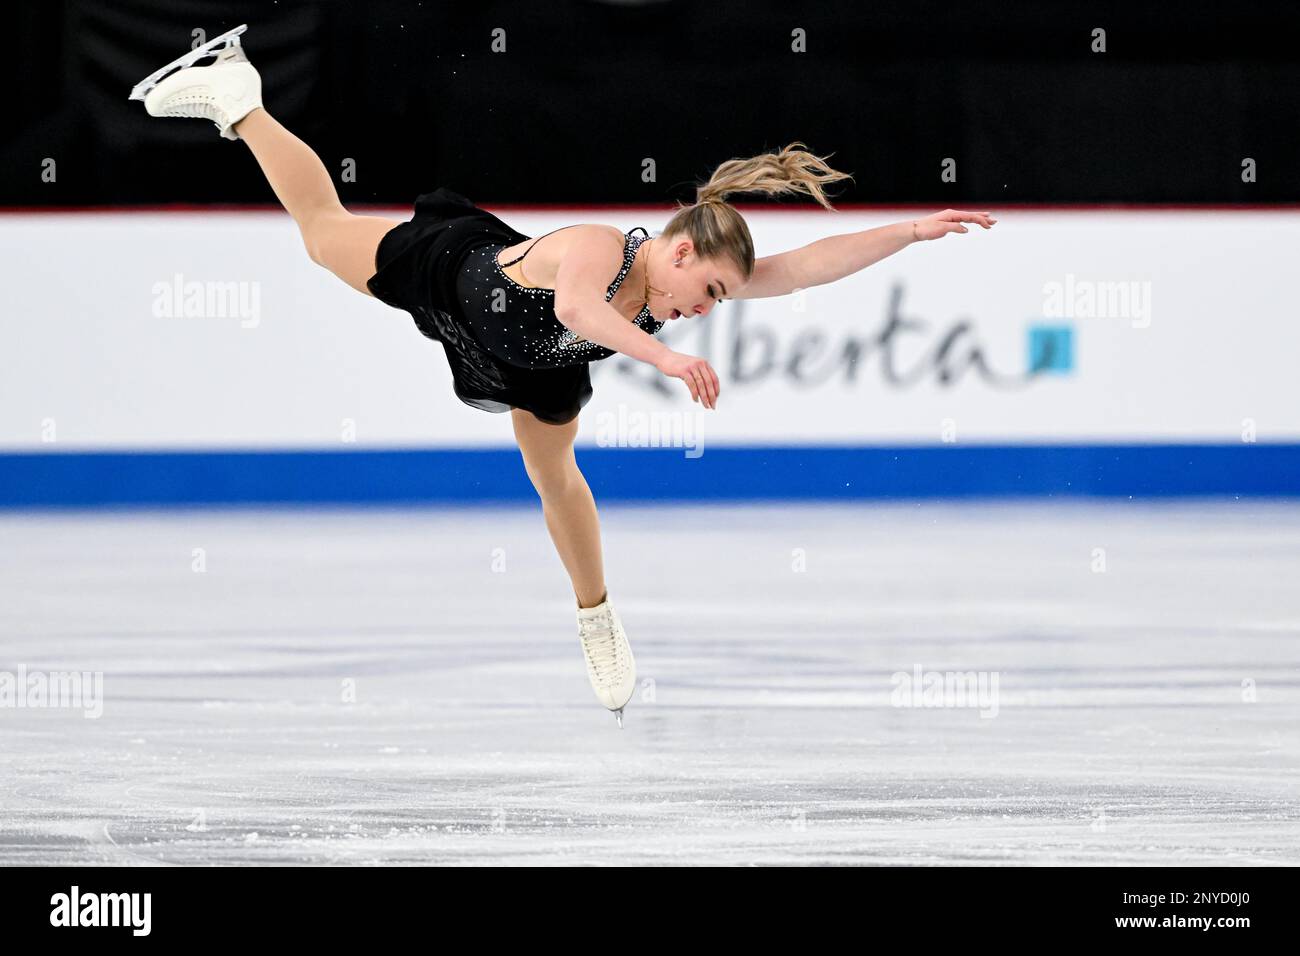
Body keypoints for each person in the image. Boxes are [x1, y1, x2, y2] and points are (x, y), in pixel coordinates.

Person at [130, 25, 996, 727]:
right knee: (323, 233)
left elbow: (807, 263)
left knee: (556, 478)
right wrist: (664, 354)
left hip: (537, 370)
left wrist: (912, 231)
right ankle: (238, 97)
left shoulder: (677, 285)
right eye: (709, 292)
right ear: (681, 250)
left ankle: (596, 618)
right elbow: (583, 313)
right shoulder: (593, 248)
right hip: (454, 278)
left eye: (718, 303)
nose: (708, 309)